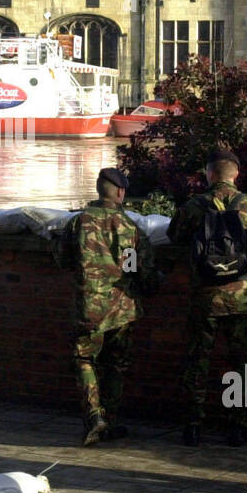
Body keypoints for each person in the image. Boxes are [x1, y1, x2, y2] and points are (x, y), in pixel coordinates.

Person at [167, 149, 247, 446]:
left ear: (209, 174)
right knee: (243, 365)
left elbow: (174, 234)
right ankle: (239, 427)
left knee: (198, 362)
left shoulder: (195, 205)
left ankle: (193, 426)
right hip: (245, 297)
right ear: (236, 174)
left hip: (207, 297)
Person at [59, 167, 158, 446]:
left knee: (84, 360)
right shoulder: (131, 228)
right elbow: (142, 271)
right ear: (121, 193)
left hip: (88, 307)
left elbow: (62, 259)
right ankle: (110, 420)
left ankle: (94, 417)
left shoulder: (78, 223)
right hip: (122, 309)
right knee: (116, 364)